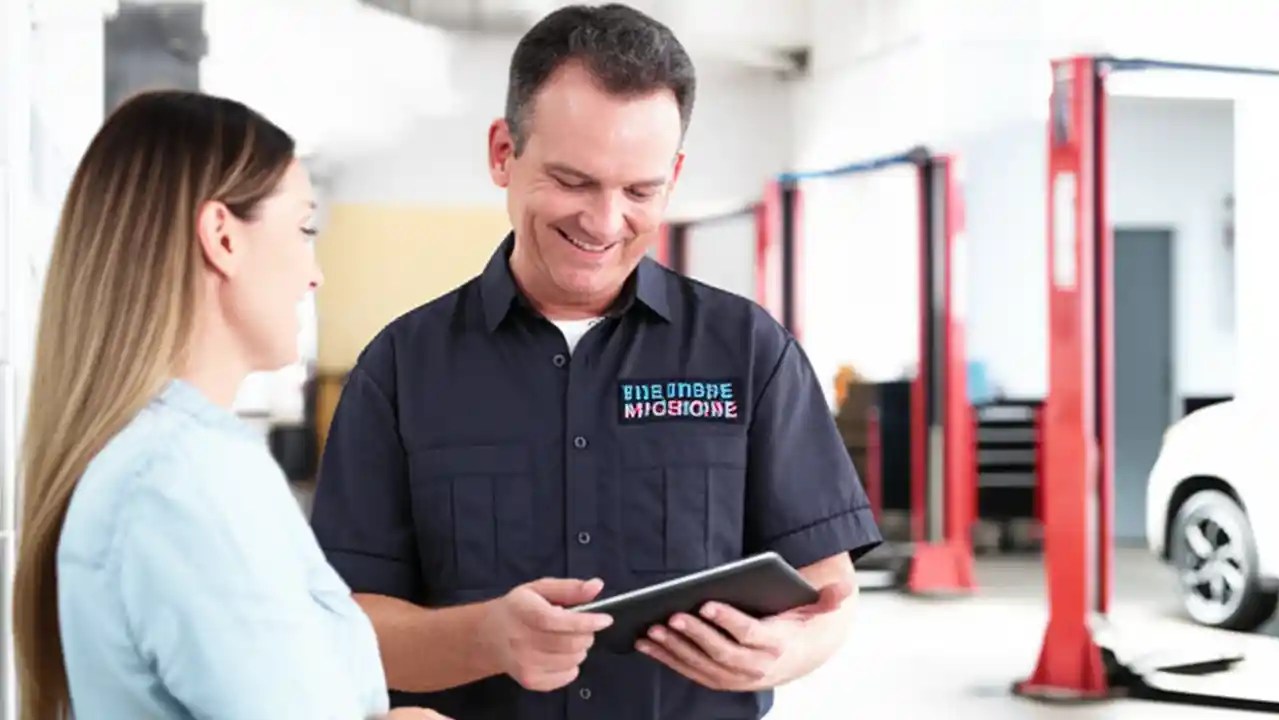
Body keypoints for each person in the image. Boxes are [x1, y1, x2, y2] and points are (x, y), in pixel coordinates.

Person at [311, 4, 883, 719]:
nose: (605, 222)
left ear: (673, 175)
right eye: (573, 181)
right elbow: (345, 629)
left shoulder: (748, 351)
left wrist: (783, 650)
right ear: (503, 153)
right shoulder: (401, 370)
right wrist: (485, 639)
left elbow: (829, 593)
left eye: (640, 190)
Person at [11, 90, 448, 720]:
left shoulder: (163, 462)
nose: (315, 274)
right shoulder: (185, 479)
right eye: (303, 229)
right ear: (222, 237)